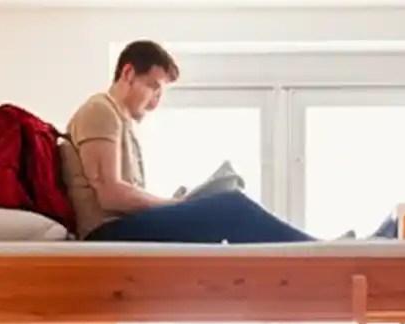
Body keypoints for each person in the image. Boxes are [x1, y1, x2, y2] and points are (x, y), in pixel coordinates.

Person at [59, 39, 318, 245]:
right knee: (230, 206)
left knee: (223, 201)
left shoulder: (120, 120)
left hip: (121, 227)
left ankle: (312, 251)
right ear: (128, 73)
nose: (156, 100)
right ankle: (317, 252)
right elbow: (110, 195)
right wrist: (177, 206)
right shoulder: (100, 109)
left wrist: (180, 204)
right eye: (153, 87)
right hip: (105, 235)